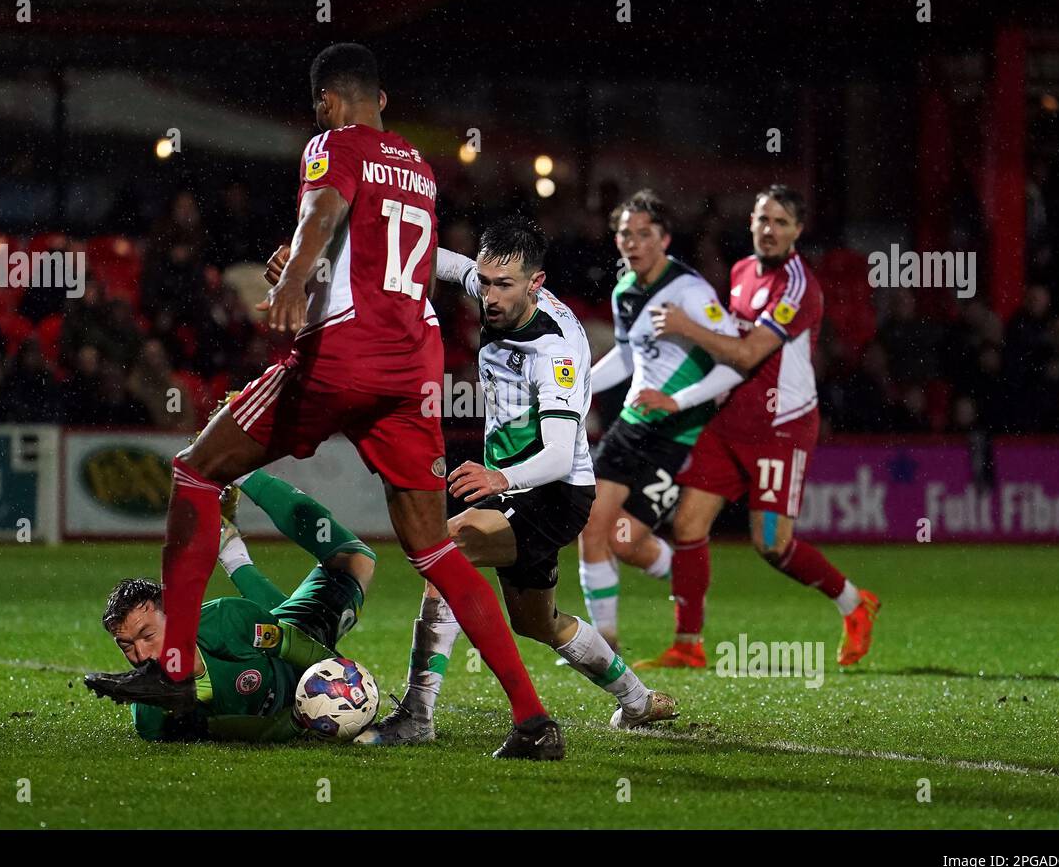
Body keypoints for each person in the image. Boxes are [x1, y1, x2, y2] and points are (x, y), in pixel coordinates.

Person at [83, 43, 560, 760]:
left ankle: (174, 672)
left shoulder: (330, 143)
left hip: (343, 355)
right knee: (434, 548)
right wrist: (306, 264)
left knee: (194, 470)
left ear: (328, 104)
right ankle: (532, 720)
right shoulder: (419, 169)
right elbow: (378, 256)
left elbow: (323, 216)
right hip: (412, 364)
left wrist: (291, 279)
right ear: (382, 99)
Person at [359, 218, 675, 747]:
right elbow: (443, 261)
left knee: (444, 554)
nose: (488, 296)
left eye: (503, 285)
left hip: (553, 493)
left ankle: (417, 715)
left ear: (537, 282)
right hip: (512, 488)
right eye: (484, 282)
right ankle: (638, 701)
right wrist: (369, 242)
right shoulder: (492, 288)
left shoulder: (555, 351)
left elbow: (556, 457)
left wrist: (496, 475)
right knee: (538, 622)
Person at [632, 185, 881, 668]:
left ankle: (854, 603)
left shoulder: (799, 286)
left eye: (781, 223)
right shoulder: (743, 272)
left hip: (780, 429)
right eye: (763, 220)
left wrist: (684, 326)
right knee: (687, 524)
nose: (769, 231)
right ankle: (688, 644)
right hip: (729, 421)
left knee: (771, 544)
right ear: (750, 222)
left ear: (797, 231)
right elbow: (729, 342)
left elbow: (747, 353)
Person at [86, 469, 376, 743]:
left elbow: (291, 641)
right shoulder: (151, 714)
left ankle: (240, 473)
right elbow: (245, 733)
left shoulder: (225, 621)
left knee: (354, 558)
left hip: (294, 649)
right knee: (270, 620)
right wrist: (299, 722)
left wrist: (337, 674)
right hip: (274, 673)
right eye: (126, 646)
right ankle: (228, 544)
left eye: (148, 636)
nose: (141, 655)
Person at [577, 190, 740, 655]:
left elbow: (732, 364)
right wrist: (578, 387)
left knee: (624, 542)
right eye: (625, 233)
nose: (632, 242)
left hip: (675, 436)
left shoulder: (690, 292)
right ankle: (603, 648)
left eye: (643, 234)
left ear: (664, 239)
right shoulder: (625, 291)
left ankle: (680, 572)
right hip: (630, 426)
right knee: (592, 529)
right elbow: (628, 357)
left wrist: (676, 399)